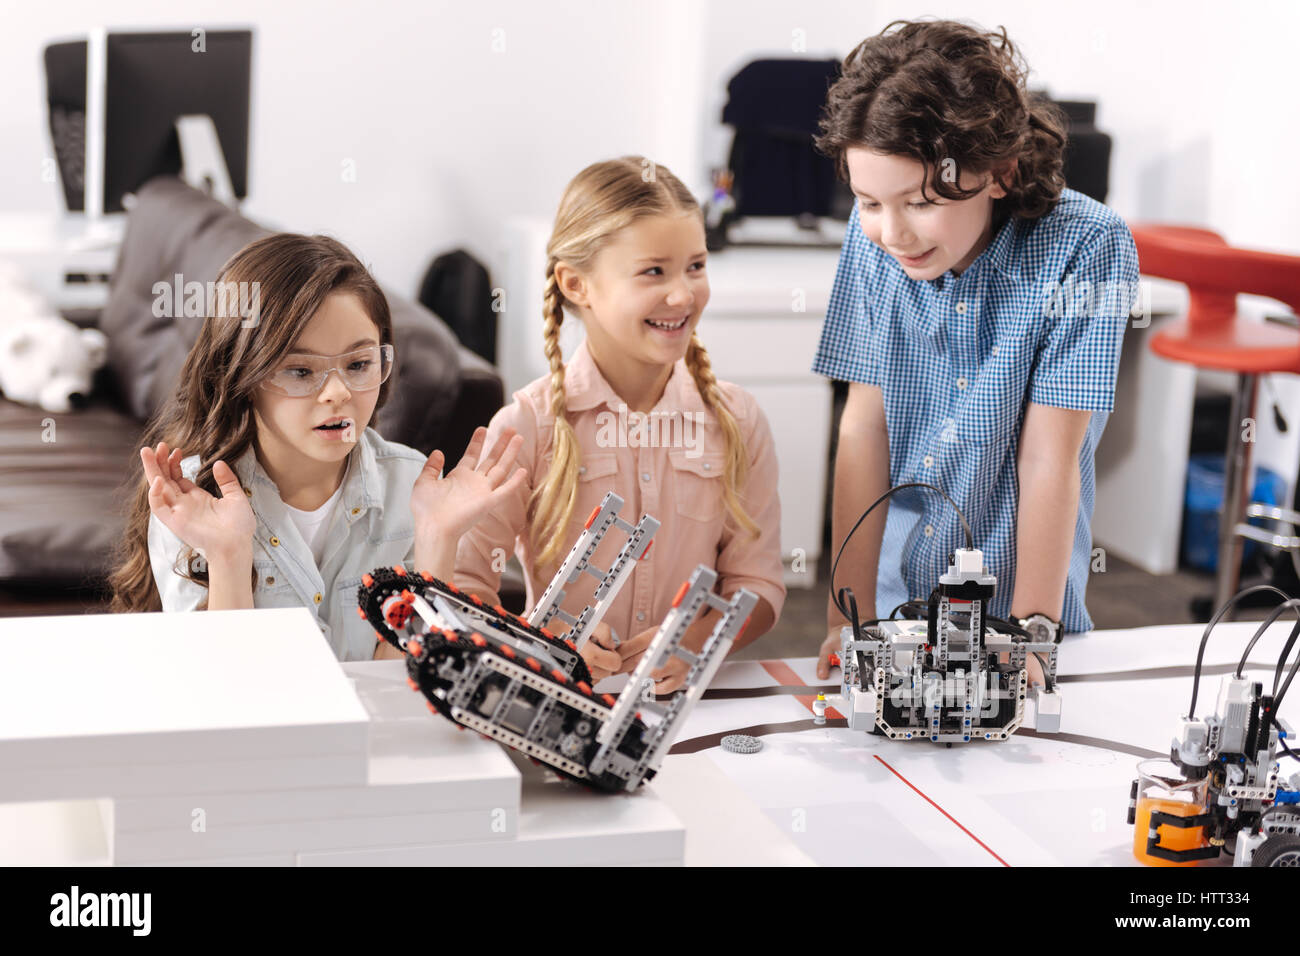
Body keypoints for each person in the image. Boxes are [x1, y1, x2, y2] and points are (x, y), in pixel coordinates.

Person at [811, 20, 1139, 681]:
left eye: (922, 202)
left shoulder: (1088, 247)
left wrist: (1031, 636)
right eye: (868, 200)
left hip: (1021, 595)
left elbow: (1050, 456)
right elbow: (863, 426)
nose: (891, 231)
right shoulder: (871, 237)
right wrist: (844, 615)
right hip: (896, 593)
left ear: (999, 172)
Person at [108, 233, 526, 662]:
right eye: (301, 370)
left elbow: (399, 690)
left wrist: (438, 540)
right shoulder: (192, 499)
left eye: (359, 364)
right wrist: (228, 555)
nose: (338, 393)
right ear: (242, 377)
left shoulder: (414, 489)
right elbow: (226, 693)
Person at [455, 157, 785, 693]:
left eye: (695, 267)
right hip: (560, 701)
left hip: (687, 708)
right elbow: (465, 586)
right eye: (654, 271)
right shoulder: (526, 427)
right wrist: (539, 646)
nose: (682, 294)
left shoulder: (739, 420)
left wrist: (699, 641)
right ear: (576, 283)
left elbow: (759, 583)